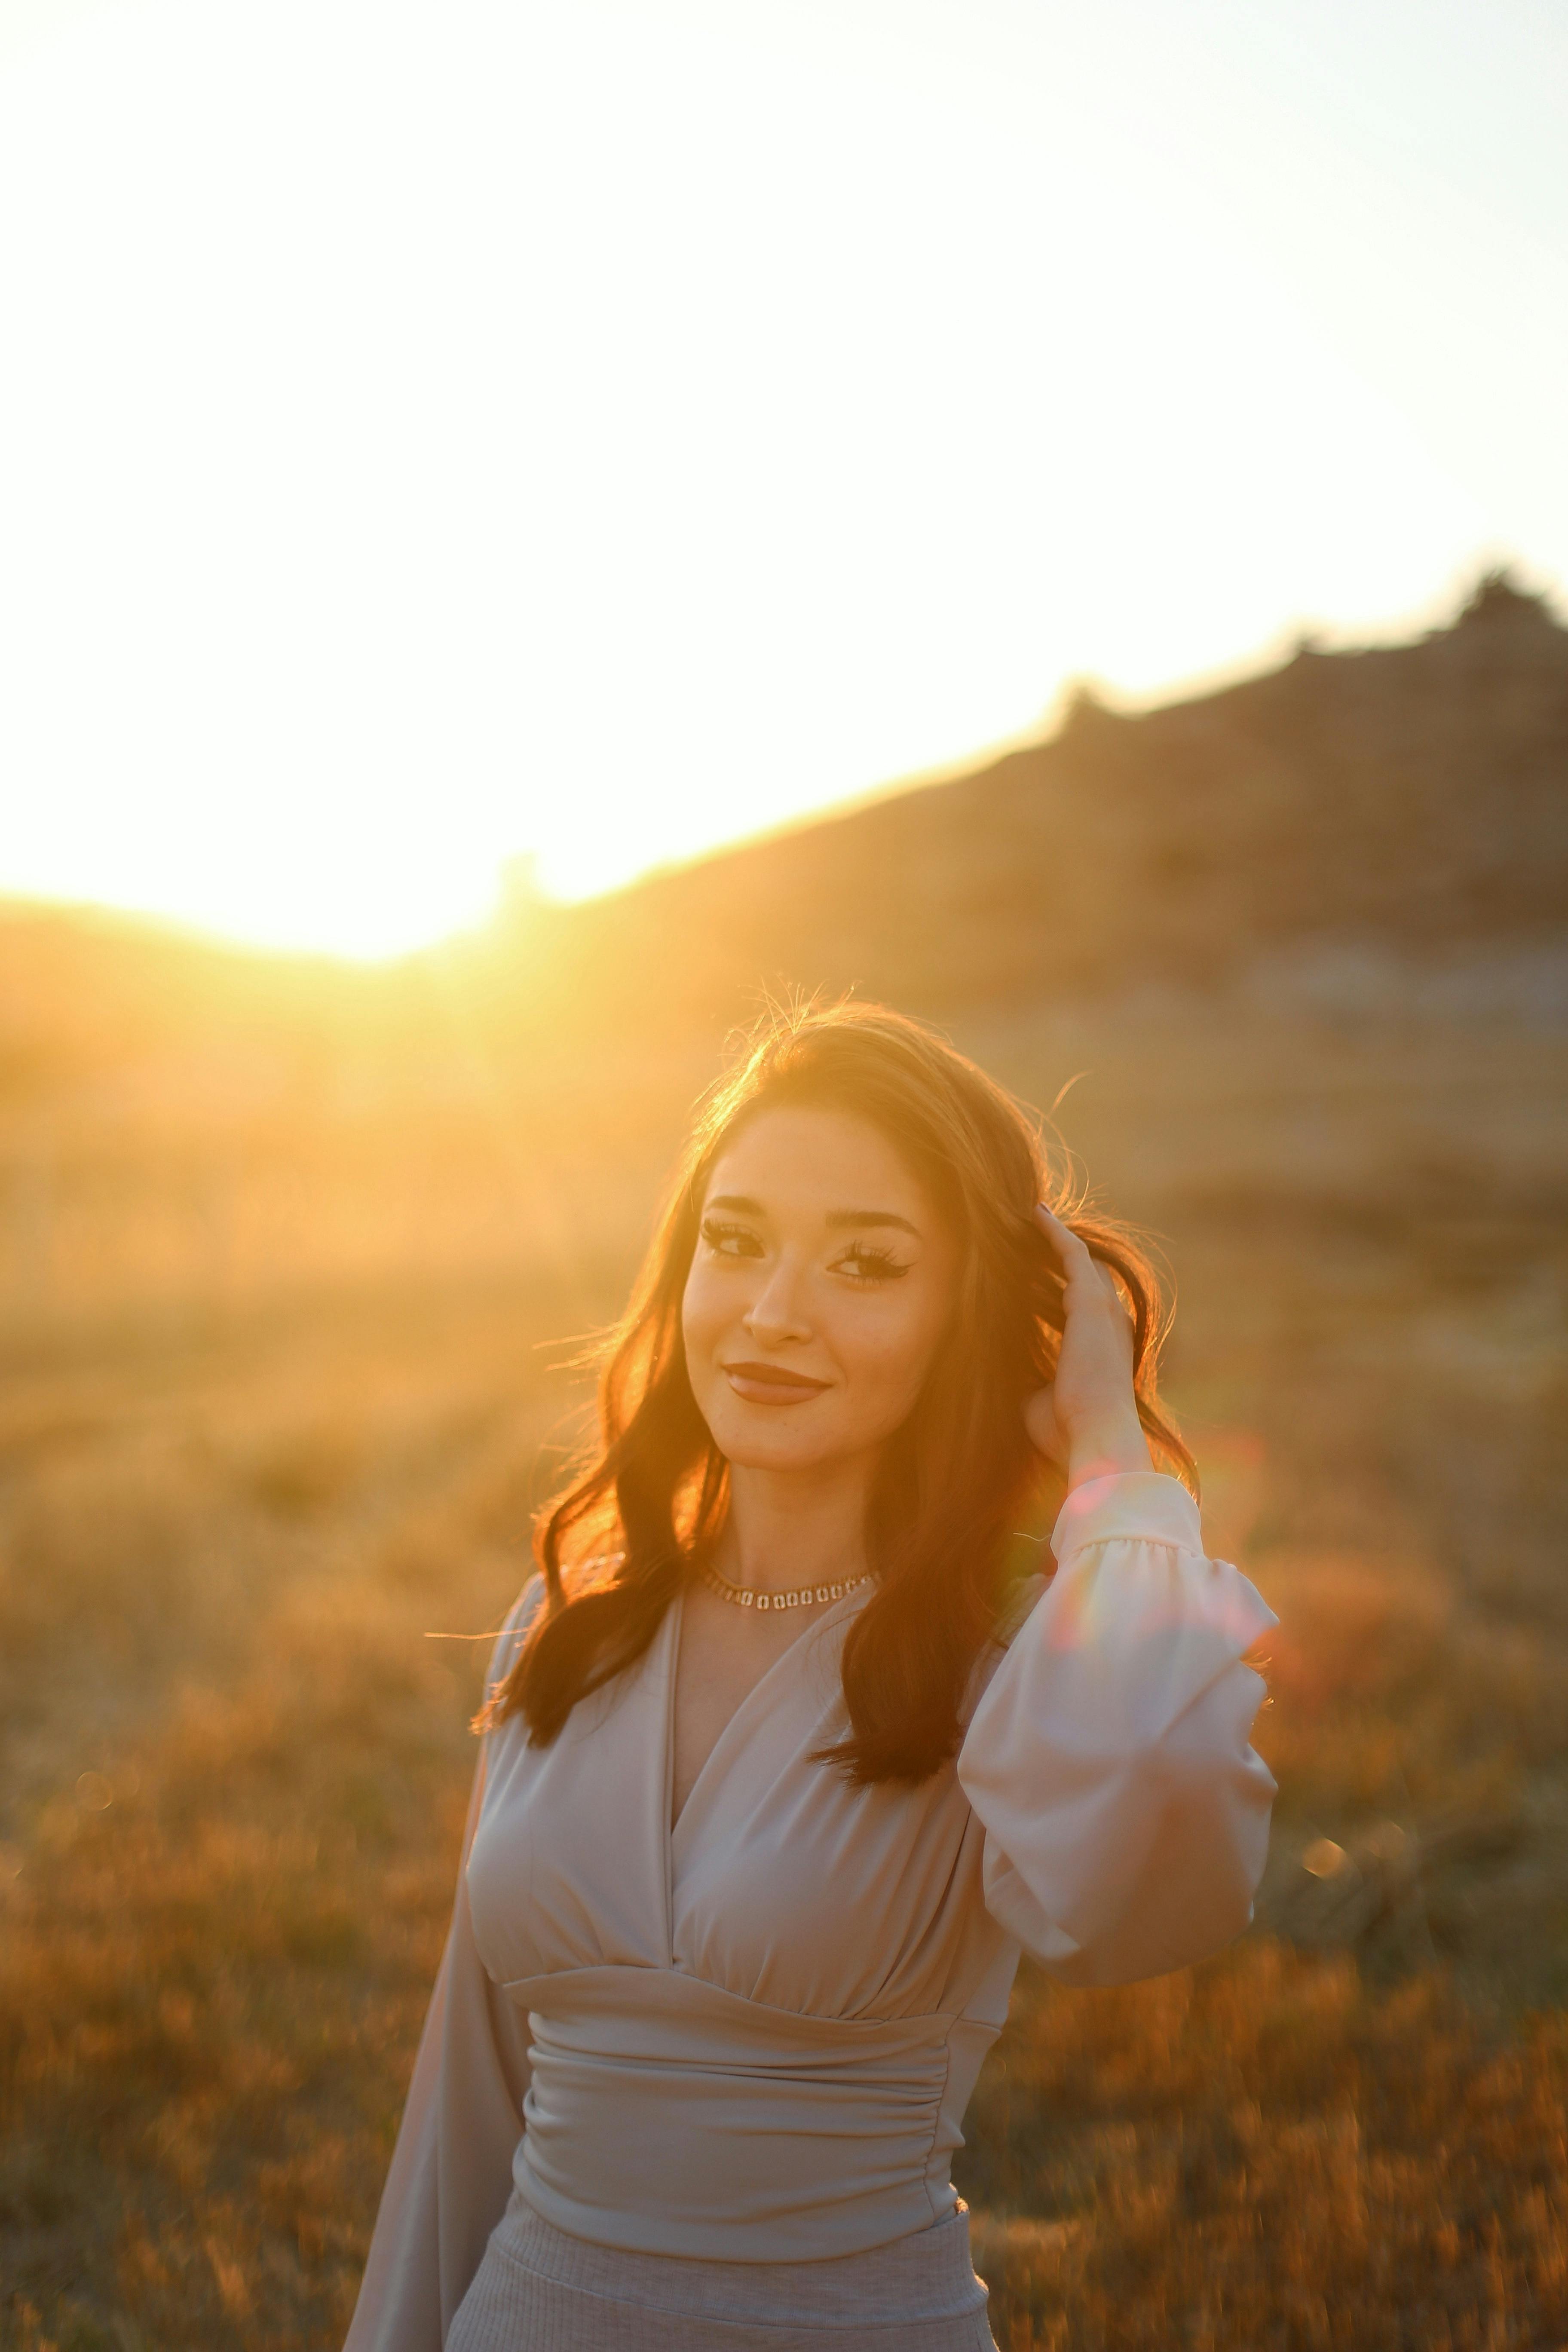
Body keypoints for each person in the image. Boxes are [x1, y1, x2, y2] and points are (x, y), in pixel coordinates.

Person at [345, 1001, 1276, 2352]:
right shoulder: (569, 1621)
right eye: (736, 1245)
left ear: (966, 1316)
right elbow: (465, 2102)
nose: (774, 1317)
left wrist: (1108, 1460)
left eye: (866, 1264)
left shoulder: (1017, 1655)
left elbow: (1163, 1886)